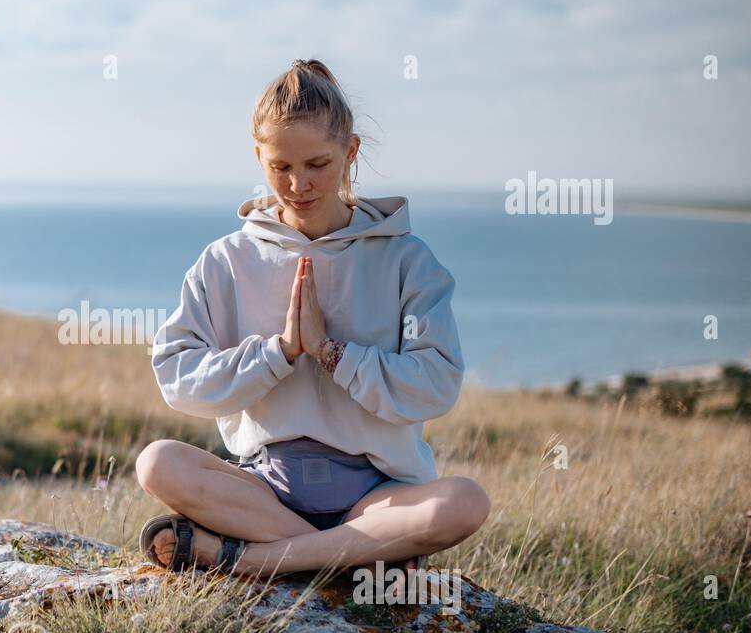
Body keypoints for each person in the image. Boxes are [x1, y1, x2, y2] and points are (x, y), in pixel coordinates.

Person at [136, 58, 490, 578]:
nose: (298, 184)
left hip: (378, 496)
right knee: (158, 463)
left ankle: (245, 559)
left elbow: (435, 386)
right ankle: (357, 559)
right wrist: (277, 353)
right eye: (280, 167)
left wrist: (333, 354)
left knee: (463, 501)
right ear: (259, 157)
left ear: (350, 153)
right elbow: (177, 377)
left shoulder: (408, 261)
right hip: (264, 492)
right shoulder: (225, 261)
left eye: (317, 164)